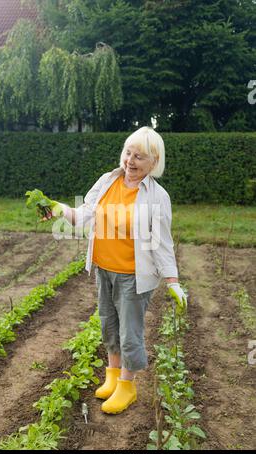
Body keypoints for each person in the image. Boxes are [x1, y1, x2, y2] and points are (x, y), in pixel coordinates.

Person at [46, 126, 187, 415]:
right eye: (128, 152)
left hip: (133, 276)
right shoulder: (108, 180)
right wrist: (59, 209)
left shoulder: (157, 197)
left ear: (154, 162)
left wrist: (172, 280)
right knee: (109, 325)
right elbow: (85, 213)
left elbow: (162, 243)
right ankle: (112, 376)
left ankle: (127, 385)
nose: (130, 161)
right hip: (103, 269)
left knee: (130, 332)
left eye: (139, 156)